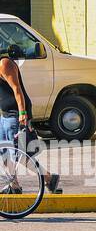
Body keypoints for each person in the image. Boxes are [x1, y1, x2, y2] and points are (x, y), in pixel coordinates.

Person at [0, 44, 61, 194]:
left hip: (15, 114)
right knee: (5, 152)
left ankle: (48, 178)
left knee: (20, 154)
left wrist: (22, 114)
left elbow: (17, 89)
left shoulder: (4, 63)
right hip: (5, 115)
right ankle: (13, 185)